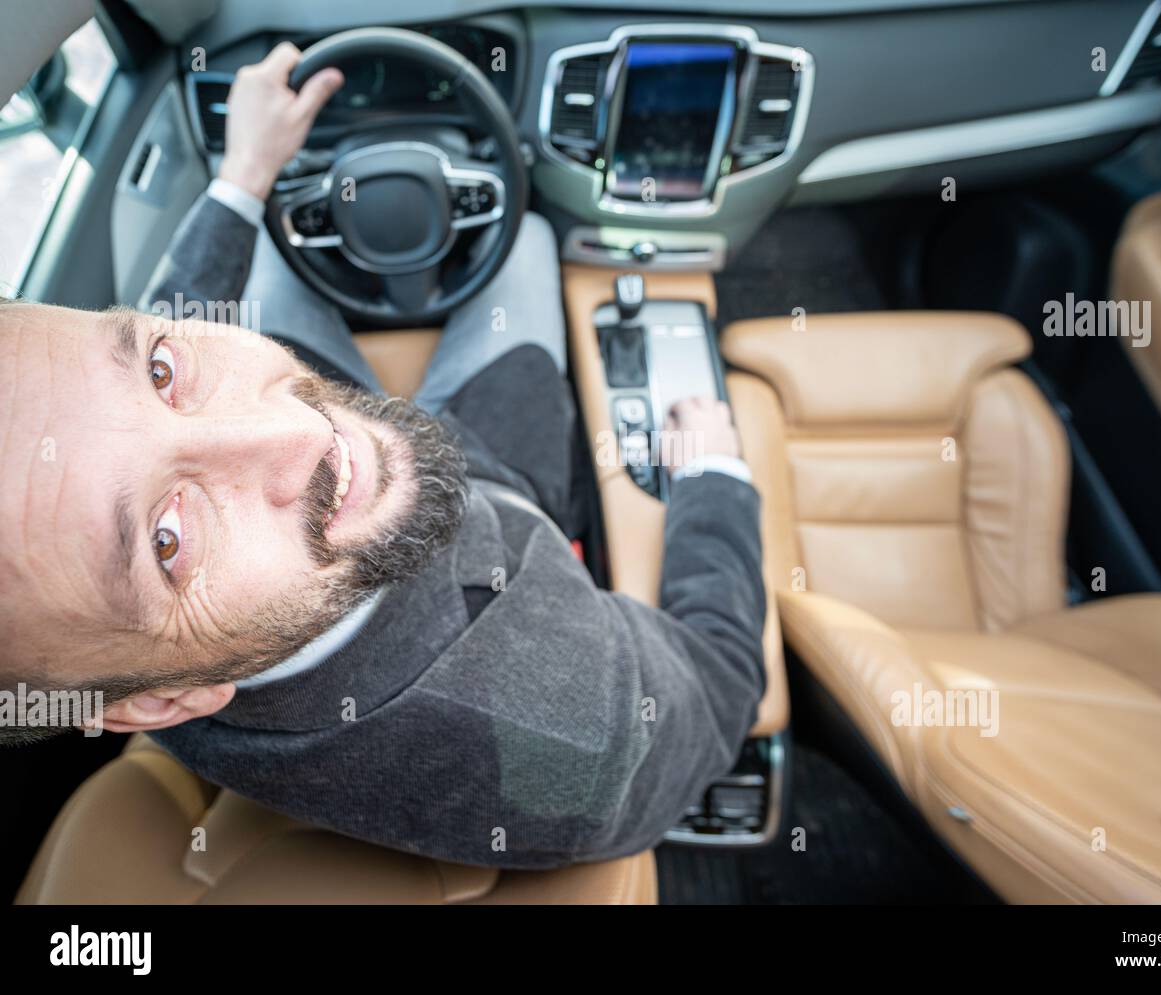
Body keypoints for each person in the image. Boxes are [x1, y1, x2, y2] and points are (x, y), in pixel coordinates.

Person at [0, 43, 766, 869]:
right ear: (164, 700)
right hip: (509, 490)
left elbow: (151, 338)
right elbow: (723, 683)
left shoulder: (124, 643)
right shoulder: (569, 728)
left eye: (161, 370)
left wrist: (245, 174)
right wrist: (713, 476)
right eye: (168, 540)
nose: (305, 432)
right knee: (531, 237)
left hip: (409, 496)